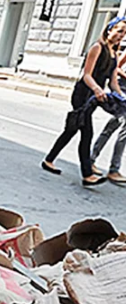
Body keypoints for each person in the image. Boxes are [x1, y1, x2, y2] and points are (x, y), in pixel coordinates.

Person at [43, 17, 126, 186]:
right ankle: (87, 174)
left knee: (71, 130)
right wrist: (97, 88)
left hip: (94, 98)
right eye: (119, 31)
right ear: (109, 29)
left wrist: (122, 97)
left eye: (124, 33)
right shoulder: (97, 47)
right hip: (83, 94)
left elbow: (113, 82)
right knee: (86, 133)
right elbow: (86, 75)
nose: (121, 35)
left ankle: (48, 160)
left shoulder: (114, 54)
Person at [90, 43, 126, 185]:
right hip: (123, 91)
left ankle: (91, 159)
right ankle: (113, 170)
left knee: (112, 127)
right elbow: (116, 67)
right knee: (123, 130)